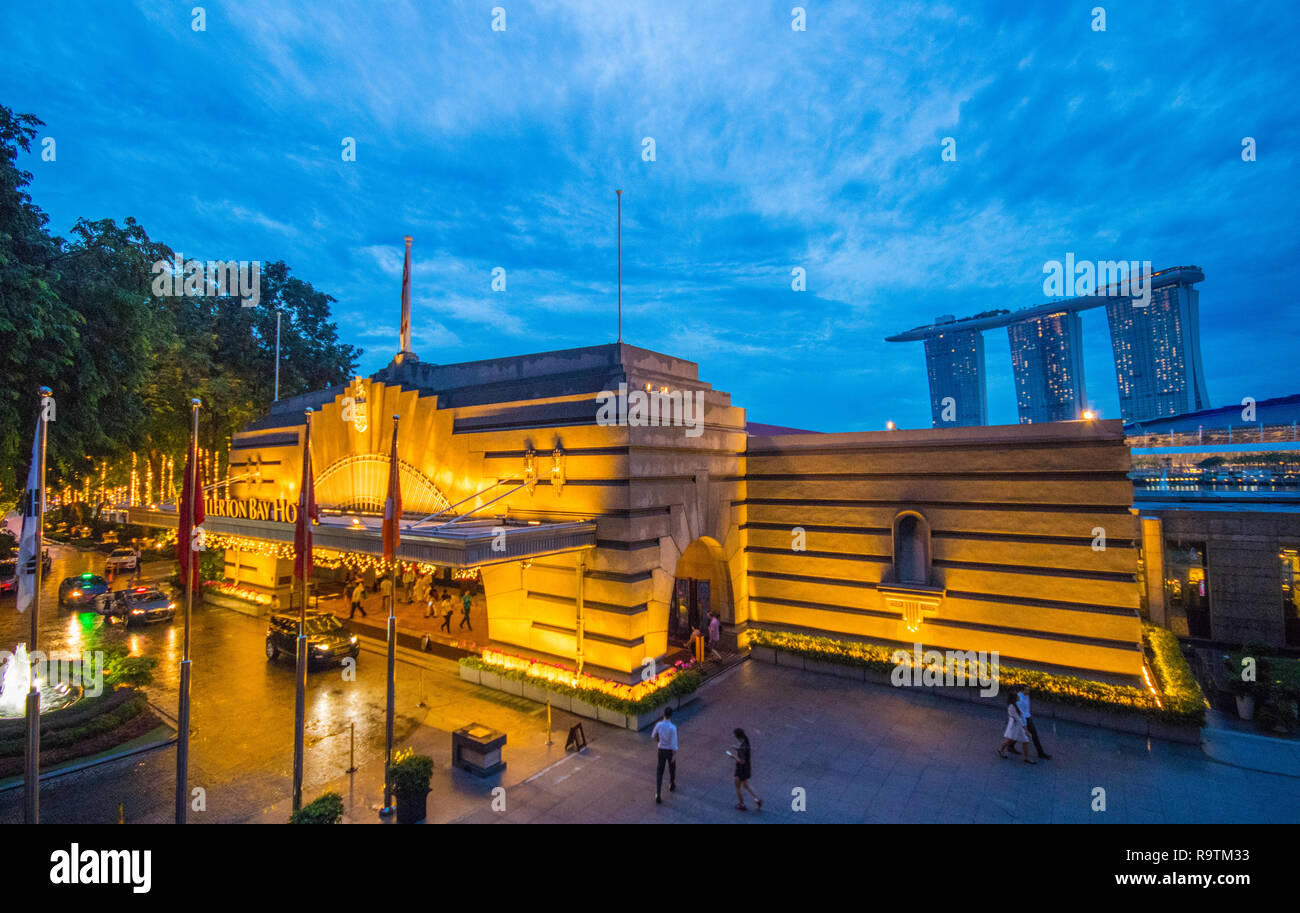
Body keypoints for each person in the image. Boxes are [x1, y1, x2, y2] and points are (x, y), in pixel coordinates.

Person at [727, 728, 762, 811]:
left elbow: (742, 761)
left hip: (741, 769)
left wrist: (733, 757)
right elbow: (743, 750)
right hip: (746, 768)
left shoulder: (742, 747)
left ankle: (741, 804)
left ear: (738, 737)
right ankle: (757, 799)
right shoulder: (746, 741)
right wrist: (736, 748)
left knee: (738, 787)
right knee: (746, 785)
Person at [998, 688, 1035, 764]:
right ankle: (1001, 749)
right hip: (1016, 727)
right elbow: (1019, 719)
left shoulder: (1016, 705)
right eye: (1017, 696)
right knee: (1011, 740)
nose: (1019, 697)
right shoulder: (1012, 707)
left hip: (1017, 726)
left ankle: (1026, 758)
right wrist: (1026, 730)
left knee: (1023, 741)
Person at [650, 707, 678, 803]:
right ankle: (671, 783)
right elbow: (674, 743)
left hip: (661, 750)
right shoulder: (673, 728)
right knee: (672, 769)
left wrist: (658, 739)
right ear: (671, 715)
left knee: (660, 771)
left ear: (663, 714)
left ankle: (658, 793)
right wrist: (674, 754)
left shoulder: (659, 725)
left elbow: (653, 735)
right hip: (669, 751)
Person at [1018, 687, 1051, 760]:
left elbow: (1026, 708)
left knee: (1018, 732)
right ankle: (1040, 752)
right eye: (1027, 690)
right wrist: (1025, 722)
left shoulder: (1026, 695)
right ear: (1022, 690)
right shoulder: (1020, 698)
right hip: (1024, 718)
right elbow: (1021, 711)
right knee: (1033, 734)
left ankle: (1010, 746)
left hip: (1027, 717)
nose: (1029, 691)